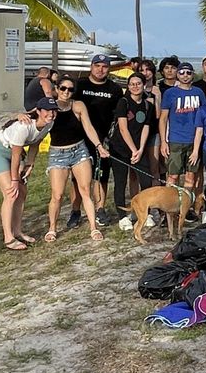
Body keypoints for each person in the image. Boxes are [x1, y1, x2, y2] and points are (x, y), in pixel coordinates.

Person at [45, 76, 110, 244]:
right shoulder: (50, 105)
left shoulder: (78, 105)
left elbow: (88, 127)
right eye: (63, 88)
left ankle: (93, 227)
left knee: (85, 190)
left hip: (79, 150)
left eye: (70, 89)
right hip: (57, 153)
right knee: (57, 195)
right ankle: (52, 228)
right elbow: (34, 120)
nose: (66, 92)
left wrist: (99, 146)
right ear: (57, 89)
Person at [0, 97, 57, 251]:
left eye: (53, 110)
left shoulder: (48, 124)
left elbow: (35, 143)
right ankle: (8, 237)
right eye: (47, 110)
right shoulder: (23, 127)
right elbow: (16, 155)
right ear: (38, 111)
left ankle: (17, 231)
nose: (51, 114)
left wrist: (30, 164)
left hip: (15, 155)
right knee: (11, 192)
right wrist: (14, 179)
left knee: (22, 192)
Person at [71, 53, 122, 225]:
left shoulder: (114, 89)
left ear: (108, 69)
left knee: (101, 176)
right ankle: (75, 211)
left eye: (104, 66)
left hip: (104, 139)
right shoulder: (80, 85)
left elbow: (119, 116)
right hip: (79, 139)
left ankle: (100, 209)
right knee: (78, 179)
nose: (100, 69)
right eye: (97, 65)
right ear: (91, 67)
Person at [108, 73, 155, 217]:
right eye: (132, 84)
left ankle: (145, 213)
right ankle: (122, 216)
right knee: (120, 182)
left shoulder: (148, 105)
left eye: (138, 83)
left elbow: (146, 127)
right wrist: (134, 149)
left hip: (138, 149)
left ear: (143, 85)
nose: (135, 86)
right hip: (120, 148)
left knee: (146, 181)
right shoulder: (123, 102)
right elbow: (123, 128)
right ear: (128, 86)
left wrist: (140, 150)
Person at [159, 61, 203, 190]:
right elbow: (163, 119)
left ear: (193, 75)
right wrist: (163, 141)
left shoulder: (199, 92)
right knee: (173, 176)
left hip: (194, 140)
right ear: (177, 74)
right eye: (182, 72)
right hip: (175, 140)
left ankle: (185, 207)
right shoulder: (170, 93)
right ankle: (170, 208)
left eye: (188, 72)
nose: (185, 75)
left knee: (190, 176)